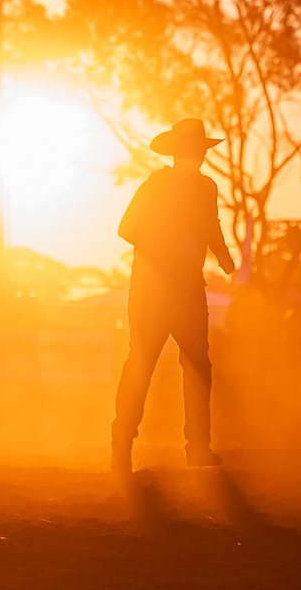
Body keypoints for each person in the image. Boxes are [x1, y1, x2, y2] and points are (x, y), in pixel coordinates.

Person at [112, 118, 236, 473]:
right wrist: (173, 248)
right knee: (142, 364)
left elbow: (211, 225)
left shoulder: (207, 188)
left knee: (199, 368)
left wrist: (223, 254)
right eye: (189, 151)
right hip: (153, 293)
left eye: (198, 151)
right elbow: (127, 228)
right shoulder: (155, 185)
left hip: (188, 293)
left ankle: (198, 448)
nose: (194, 157)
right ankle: (122, 447)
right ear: (177, 153)